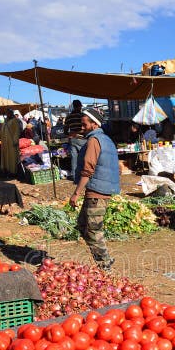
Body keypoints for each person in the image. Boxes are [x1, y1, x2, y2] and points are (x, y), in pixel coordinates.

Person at [69, 107, 120, 270]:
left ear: (94, 124)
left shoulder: (93, 141)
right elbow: (117, 168)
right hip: (101, 189)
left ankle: (104, 263)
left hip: (96, 192)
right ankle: (102, 260)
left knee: (93, 229)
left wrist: (76, 193)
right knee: (83, 224)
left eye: (85, 124)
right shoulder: (107, 140)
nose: (82, 127)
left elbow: (88, 169)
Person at [65, 100, 85, 180]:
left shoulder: (69, 116)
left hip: (72, 139)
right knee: (84, 156)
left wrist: (71, 133)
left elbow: (65, 130)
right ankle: (84, 174)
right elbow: (86, 128)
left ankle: (74, 175)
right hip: (82, 139)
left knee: (74, 158)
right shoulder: (82, 116)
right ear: (80, 106)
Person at [0, 109, 22, 175]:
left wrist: (15, 141)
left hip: (12, 143)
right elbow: (2, 132)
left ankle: (13, 172)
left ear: (11, 113)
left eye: (8, 113)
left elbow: (16, 132)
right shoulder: (6, 121)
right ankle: (8, 171)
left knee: (12, 158)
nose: (7, 114)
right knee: (7, 158)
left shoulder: (15, 121)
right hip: (5, 143)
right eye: (7, 113)